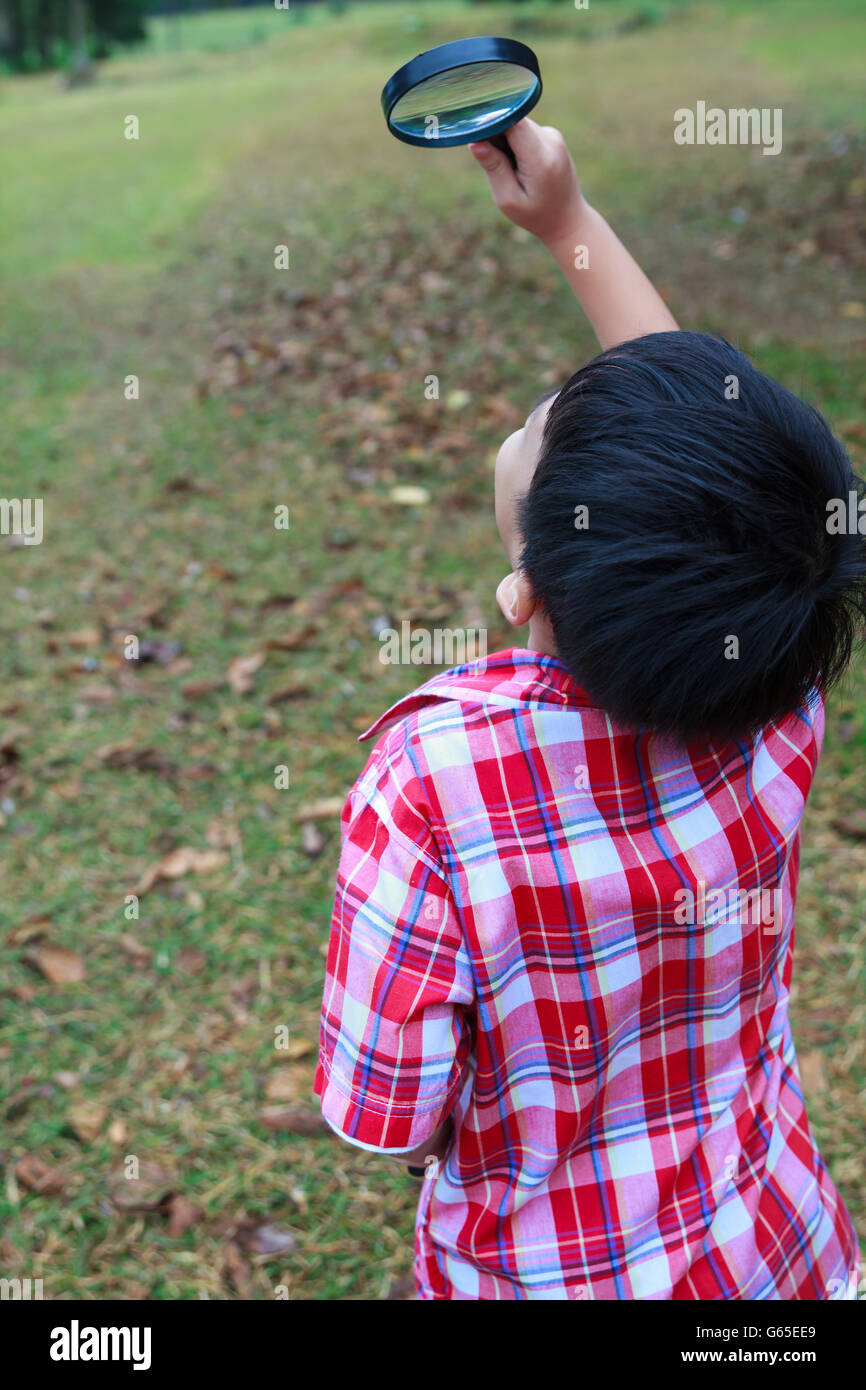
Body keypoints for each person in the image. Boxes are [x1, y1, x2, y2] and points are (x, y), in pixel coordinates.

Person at [313, 118, 865, 1300]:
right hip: (773, 1250)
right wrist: (566, 224)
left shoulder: (432, 784)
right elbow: (706, 468)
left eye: (543, 423)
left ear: (520, 592)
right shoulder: (776, 687)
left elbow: (384, 1116)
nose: (554, 397)